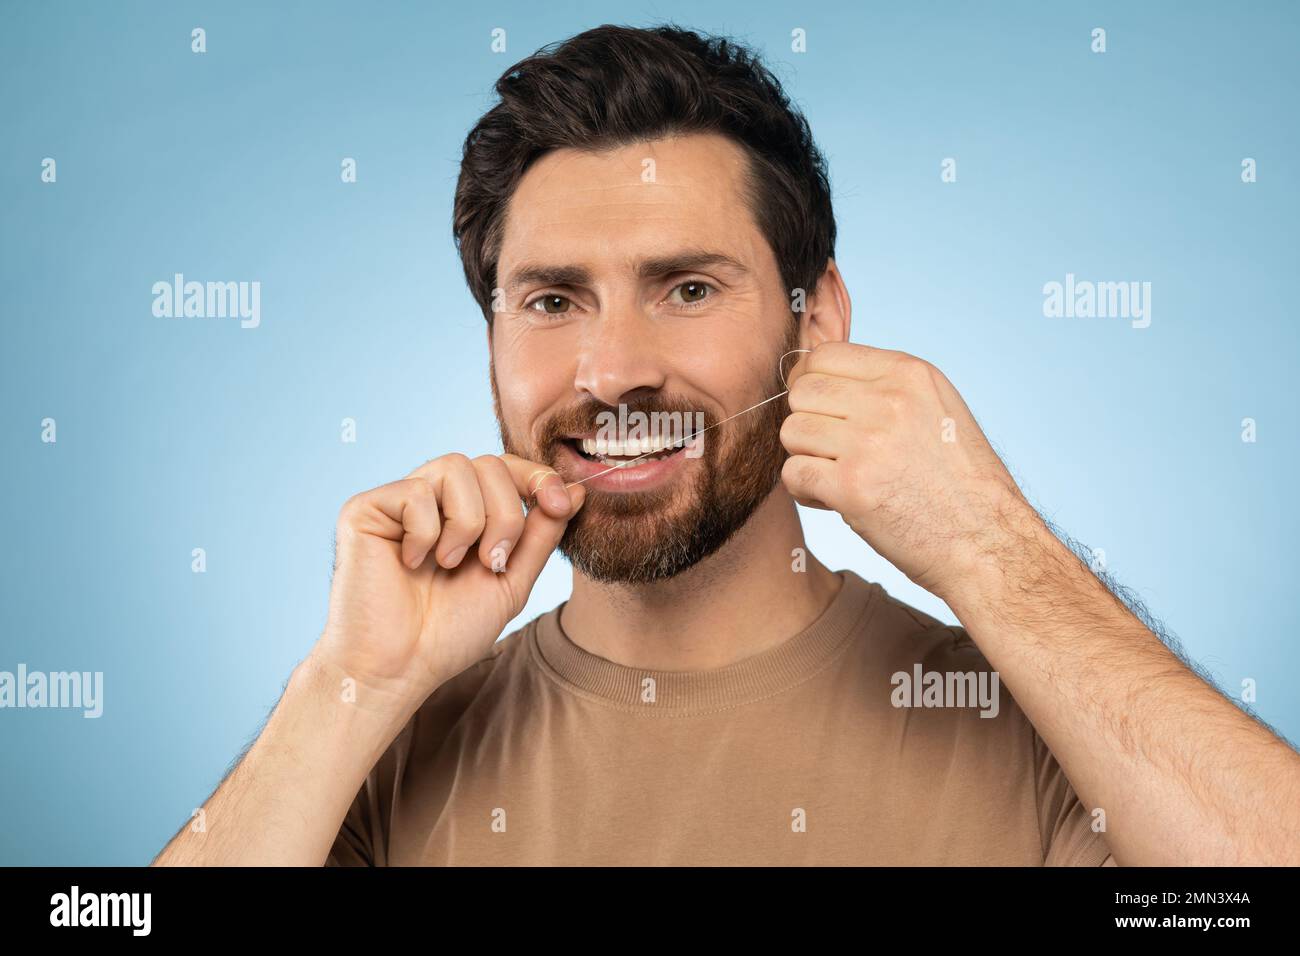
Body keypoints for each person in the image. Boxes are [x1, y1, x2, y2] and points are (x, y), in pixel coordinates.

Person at [154, 24, 1300, 867]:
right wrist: (348, 688)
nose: (612, 371)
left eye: (688, 286)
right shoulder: (376, 758)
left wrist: (996, 551)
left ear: (819, 319)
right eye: (552, 301)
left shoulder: (1040, 733)